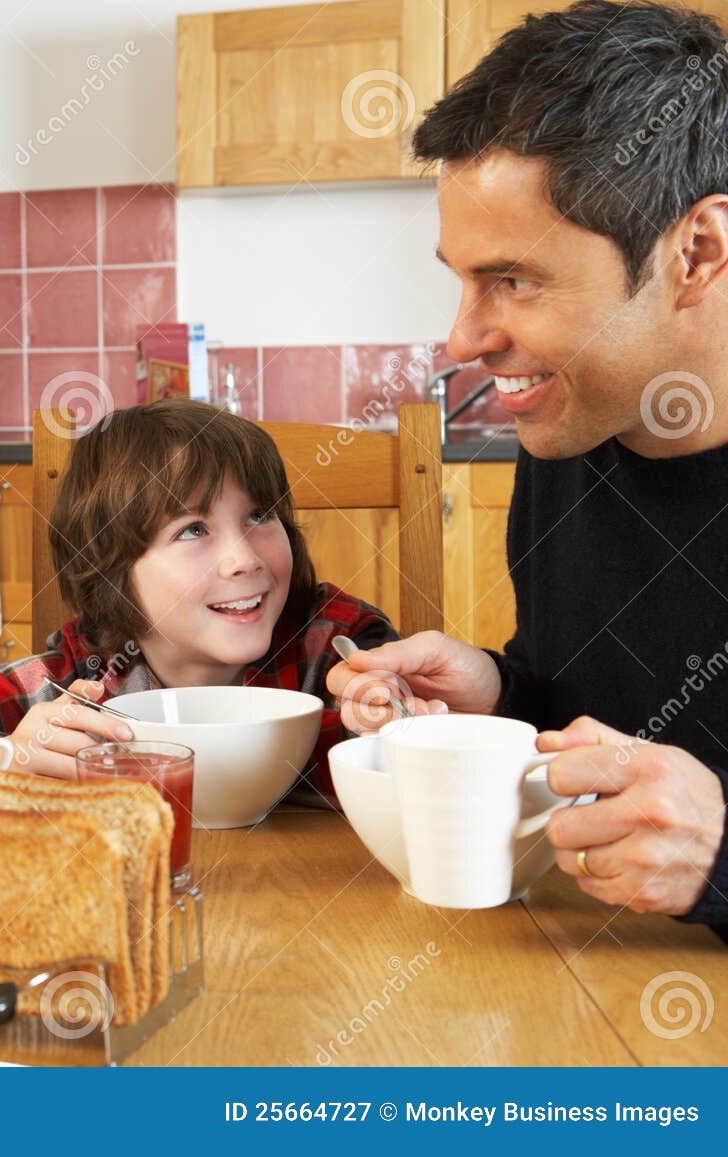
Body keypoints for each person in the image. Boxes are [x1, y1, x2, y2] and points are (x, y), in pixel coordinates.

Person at [327, 0, 728, 932]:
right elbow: (610, 723)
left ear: (697, 252)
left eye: (515, 279)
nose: (460, 338)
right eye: (461, 278)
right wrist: (501, 695)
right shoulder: (570, 432)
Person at [0, 399, 430, 793]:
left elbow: (435, 748)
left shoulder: (337, 647)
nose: (244, 559)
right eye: (193, 530)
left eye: (260, 516)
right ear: (111, 572)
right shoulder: (80, 685)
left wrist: (389, 723)